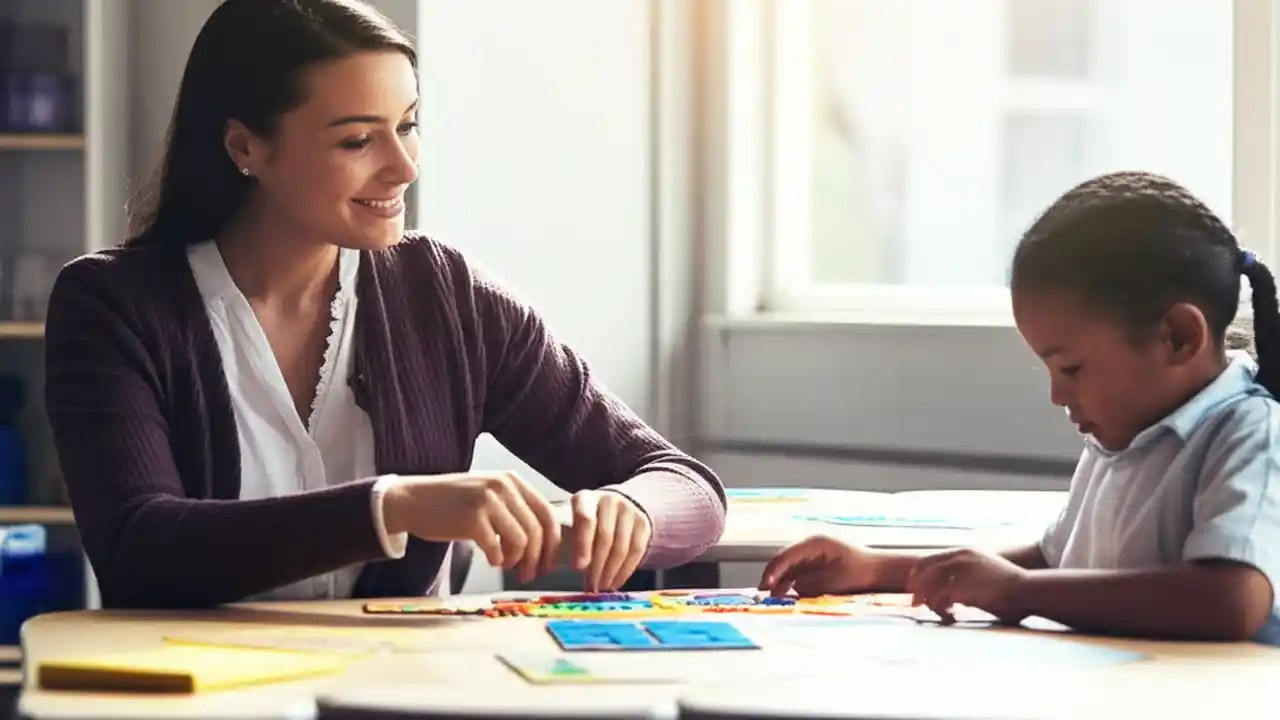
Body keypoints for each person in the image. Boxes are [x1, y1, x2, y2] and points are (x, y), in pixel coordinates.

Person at [44, 0, 725, 609]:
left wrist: (629, 507)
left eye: (409, 125)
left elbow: (685, 486)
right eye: (358, 140)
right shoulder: (110, 306)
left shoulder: (451, 298)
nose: (404, 167)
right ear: (244, 146)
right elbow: (139, 550)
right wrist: (393, 507)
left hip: (400, 691)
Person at [759, 171, 1280, 645]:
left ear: (1178, 336)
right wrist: (880, 569)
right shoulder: (1119, 439)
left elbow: (1231, 600)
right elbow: (1057, 562)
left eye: (1071, 369)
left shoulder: (1251, 434)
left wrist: (1021, 592)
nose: (1057, 395)